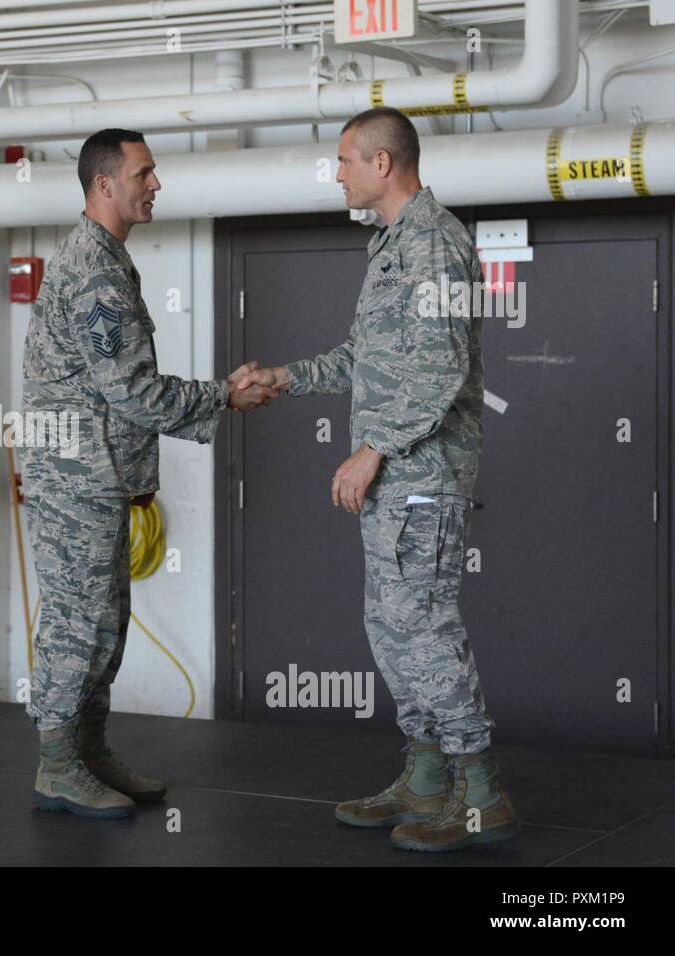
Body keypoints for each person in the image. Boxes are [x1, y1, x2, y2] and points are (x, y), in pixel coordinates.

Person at [242, 107, 518, 852]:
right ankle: (428, 778)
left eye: (344, 161)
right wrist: (284, 377)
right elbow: (360, 360)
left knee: (425, 632)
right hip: (397, 481)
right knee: (392, 631)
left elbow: (440, 368)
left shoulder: (437, 244)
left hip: (422, 476)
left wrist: (372, 451)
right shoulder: (393, 246)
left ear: (382, 164)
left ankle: (481, 792)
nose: (337, 174)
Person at [21, 128, 274, 819]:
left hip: (95, 477)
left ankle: (88, 750)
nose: (155, 183)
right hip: (78, 482)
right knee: (79, 625)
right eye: (144, 172)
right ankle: (57, 764)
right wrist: (224, 394)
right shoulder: (95, 269)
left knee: (103, 624)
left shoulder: (103, 259)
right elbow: (133, 392)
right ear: (105, 185)